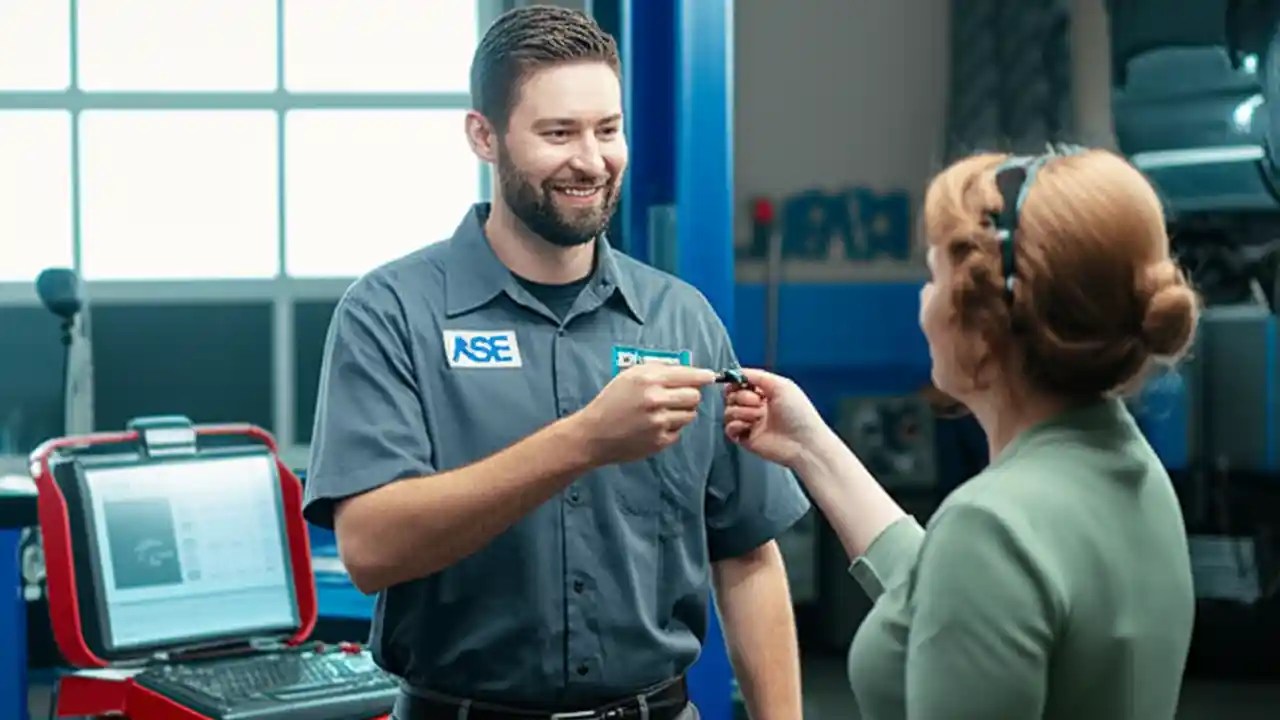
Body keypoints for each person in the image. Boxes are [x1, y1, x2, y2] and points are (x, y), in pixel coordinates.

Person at [302, 6, 810, 720]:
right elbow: (370, 547)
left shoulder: (681, 318)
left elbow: (747, 554)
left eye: (608, 129)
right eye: (559, 133)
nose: (592, 160)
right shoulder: (391, 313)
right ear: (484, 136)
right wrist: (583, 442)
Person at [723, 147, 1200, 719]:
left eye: (933, 277)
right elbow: (960, 597)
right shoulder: (1129, 470)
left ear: (983, 322)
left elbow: (976, 569)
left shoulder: (989, 527)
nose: (924, 302)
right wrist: (810, 445)